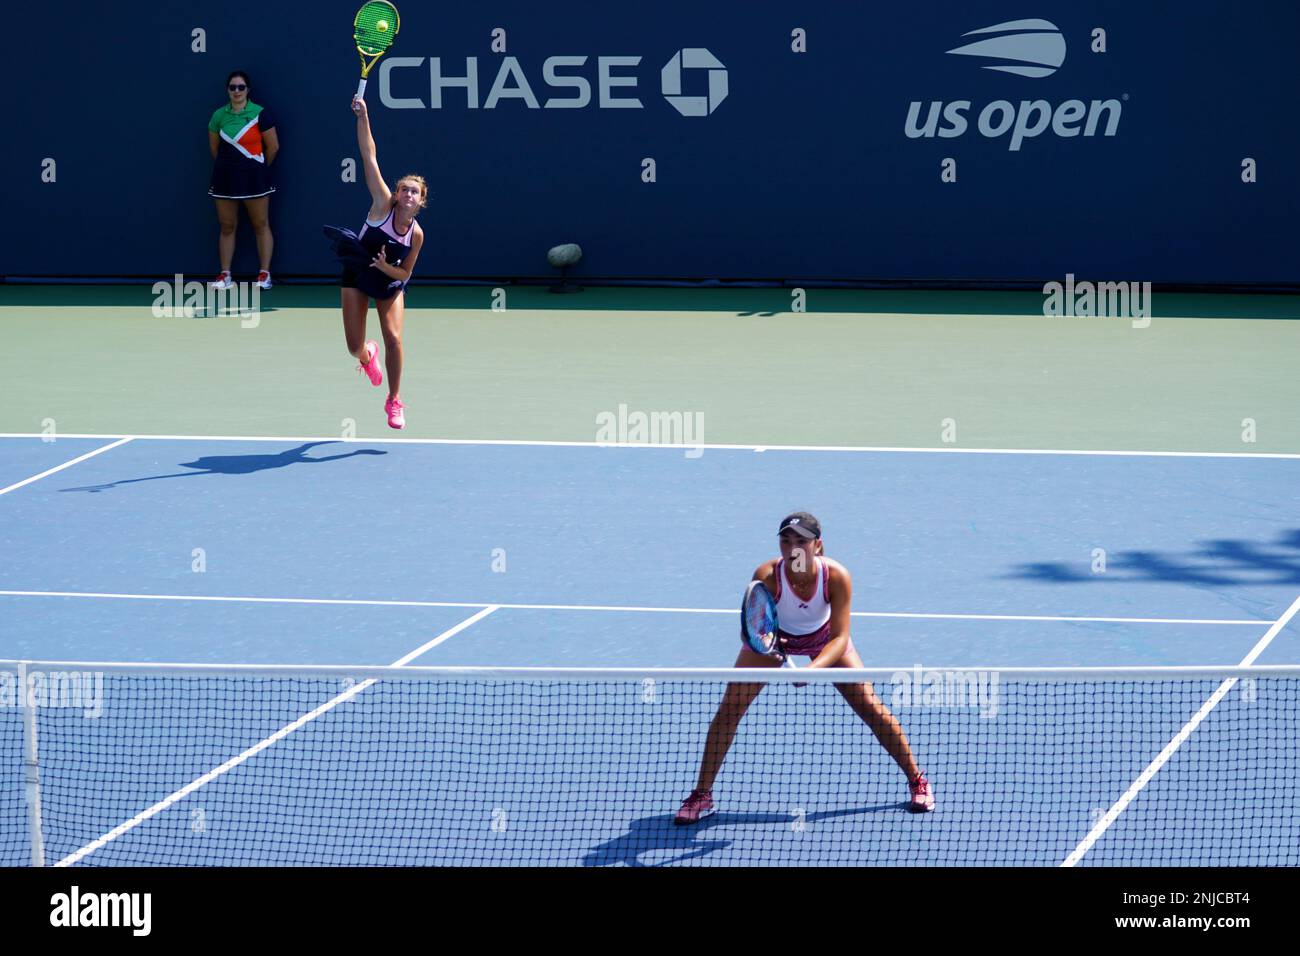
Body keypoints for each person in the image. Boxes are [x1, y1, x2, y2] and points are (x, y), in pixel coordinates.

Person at [675, 512, 935, 824]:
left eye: (801, 541)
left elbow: (840, 637)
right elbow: (754, 628)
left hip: (824, 640)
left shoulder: (837, 576)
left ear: (818, 546)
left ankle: (916, 778)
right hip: (775, 640)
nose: (792, 548)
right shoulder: (767, 575)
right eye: (786, 541)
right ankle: (702, 794)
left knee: (869, 705)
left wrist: (813, 669)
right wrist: (775, 653)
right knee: (729, 709)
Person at [341, 96, 425, 430]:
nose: (406, 195)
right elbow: (369, 155)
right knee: (353, 346)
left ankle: (394, 400)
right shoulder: (381, 203)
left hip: (388, 280)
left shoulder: (416, 235)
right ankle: (366, 357)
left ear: (421, 200)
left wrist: (386, 268)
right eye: (404, 189)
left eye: (413, 192)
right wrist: (364, 117)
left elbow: (405, 273)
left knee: (394, 337)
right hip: (358, 271)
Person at [207, 71, 278, 290]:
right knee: (227, 226)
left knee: (261, 225)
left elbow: (273, 147)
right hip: (224, 179)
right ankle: (225, 275)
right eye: (232, 87)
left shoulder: (260, 114)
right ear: (227, 90)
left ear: (248, 90)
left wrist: (256, 169)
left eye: (241, 87)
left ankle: (264, 275)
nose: (236, 91)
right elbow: (214, 149)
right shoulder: (218, 115)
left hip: (255, 180)